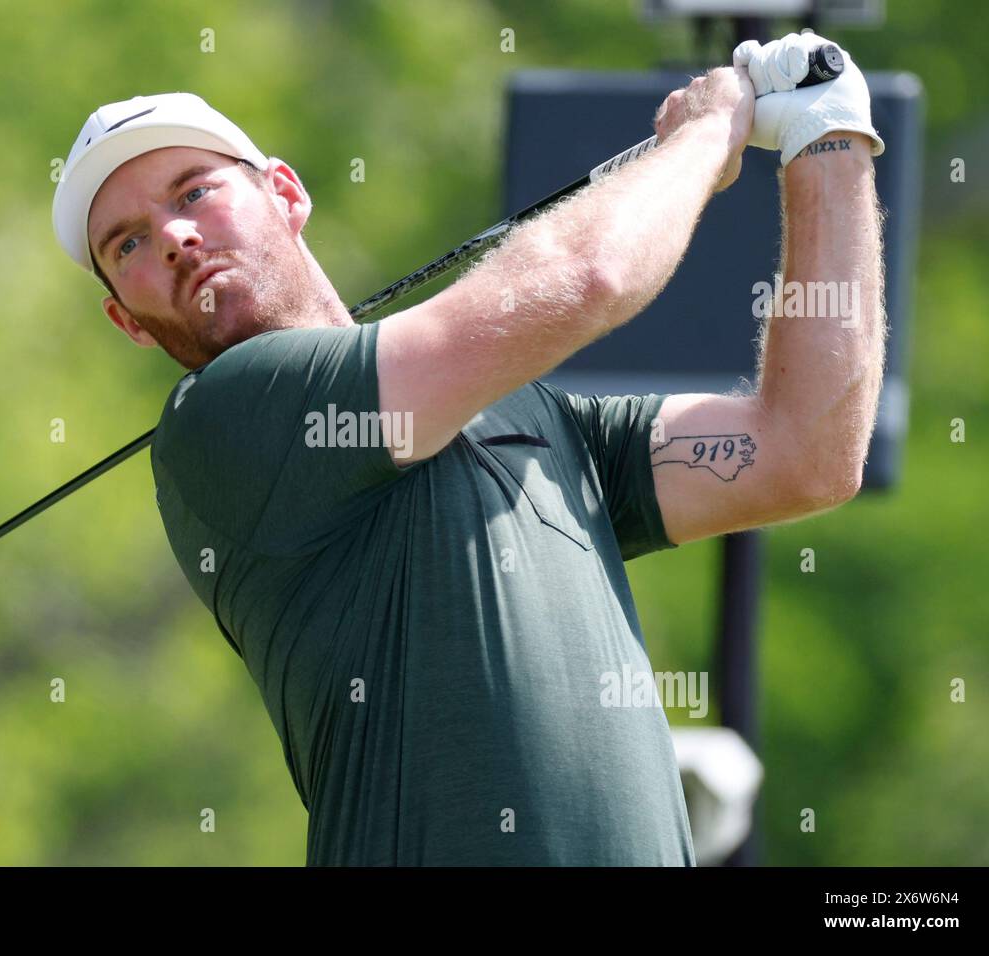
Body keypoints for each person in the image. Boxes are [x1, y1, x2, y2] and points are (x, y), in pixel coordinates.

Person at [50, 32, 886, 865]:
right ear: (127, 319)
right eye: (127, 243)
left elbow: (804, 453)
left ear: (285, 193)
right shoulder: (223, 418)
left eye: (193, 190)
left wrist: (831, 142)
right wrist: (705, 134)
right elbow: (592, 276)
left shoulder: (537, 416)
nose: (172, 238)